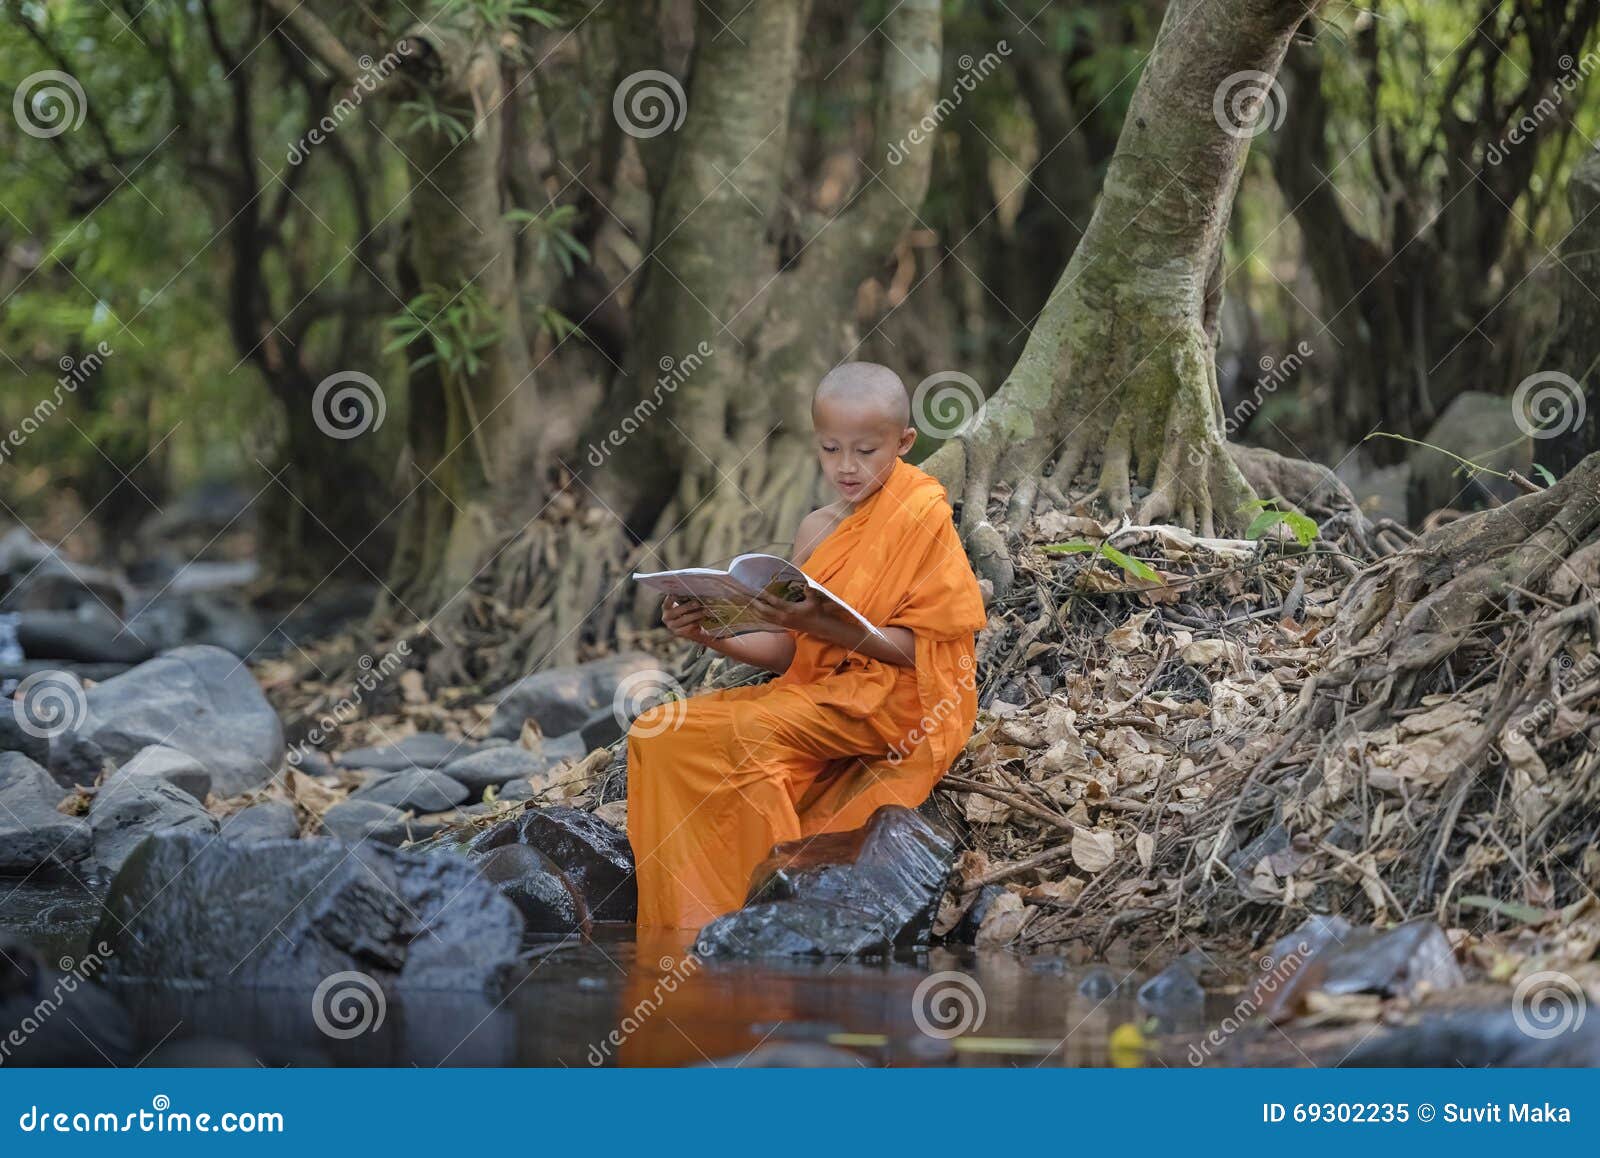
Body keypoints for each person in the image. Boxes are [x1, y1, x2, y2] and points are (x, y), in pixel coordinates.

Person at [625, 361, 987, 929]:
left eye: (866, 451)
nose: (847, 466)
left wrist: (824, 625)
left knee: (747, 736)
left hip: (899, 701)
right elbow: (793, 655)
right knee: (656, 733)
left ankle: (766, 910)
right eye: (830, 448)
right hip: (821, 695)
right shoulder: (816, 529)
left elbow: (926, 653)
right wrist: (710, 633)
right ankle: (684, 925)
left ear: (905, 442)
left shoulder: (920, 514)